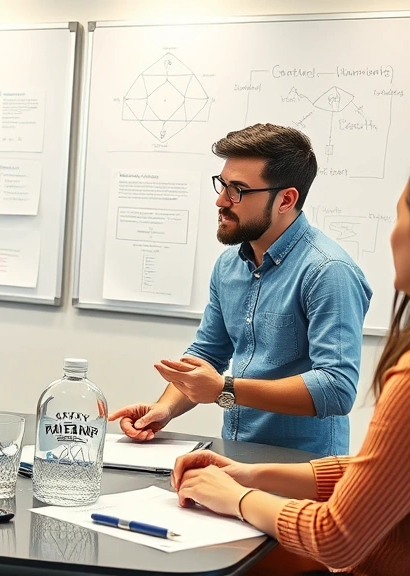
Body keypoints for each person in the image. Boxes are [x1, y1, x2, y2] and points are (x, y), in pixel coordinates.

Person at [171, 145, 410, 576]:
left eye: (399, 218)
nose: (392, 235)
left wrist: (235, 497)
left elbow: (335, 538)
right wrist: (250, 475)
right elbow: (385, 471)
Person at [110, 124, 372, 455]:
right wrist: (165, 408)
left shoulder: (328, 271)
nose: (221, 200)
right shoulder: (228, 265)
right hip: (236, 458)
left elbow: (336, 389)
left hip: (303, 470)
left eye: (238, 190)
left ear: (286, 199)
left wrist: (226, 389)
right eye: (222, 185)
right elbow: (208, 355)